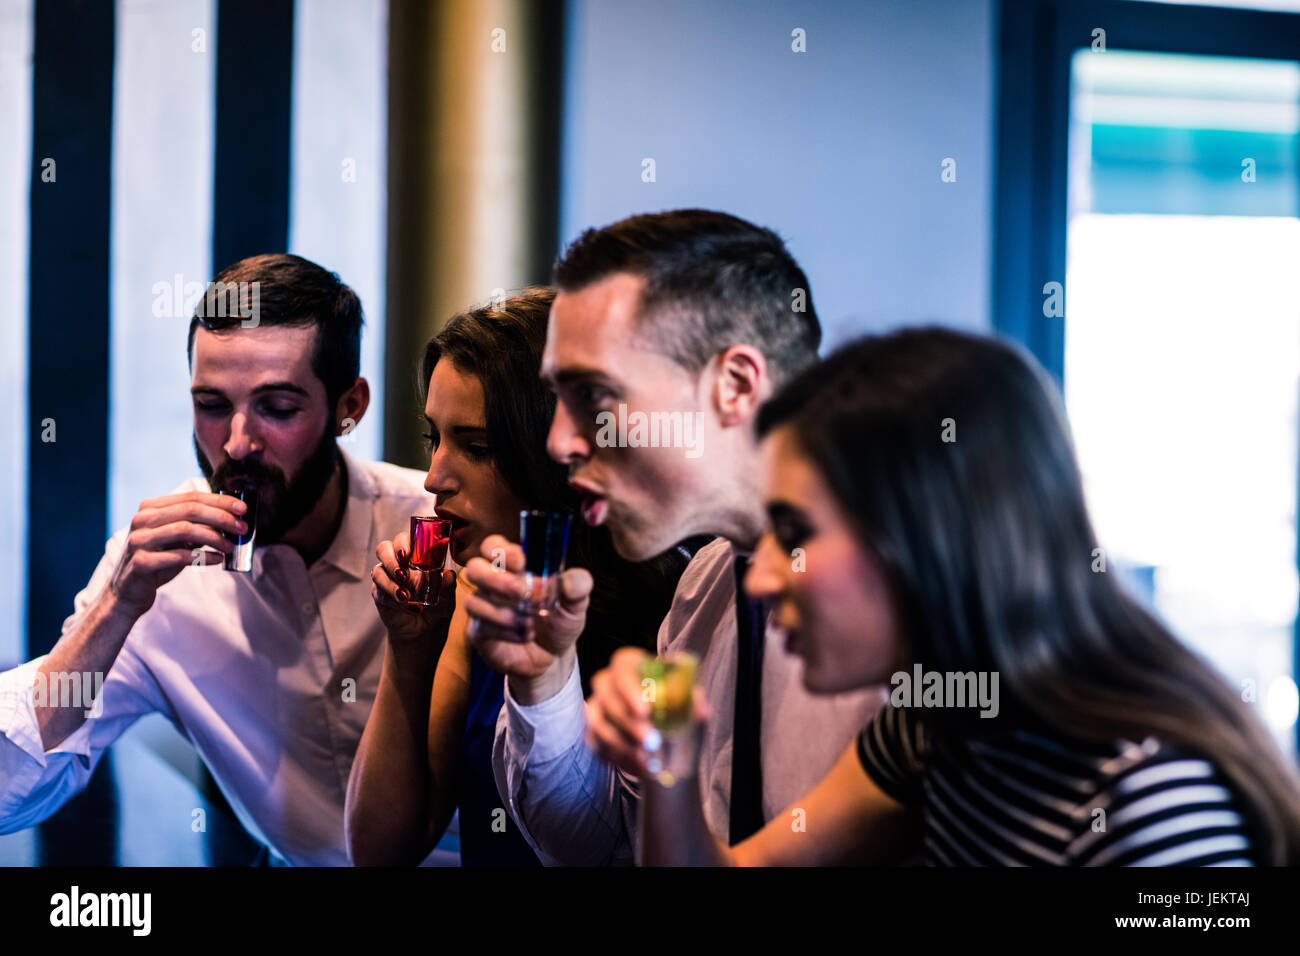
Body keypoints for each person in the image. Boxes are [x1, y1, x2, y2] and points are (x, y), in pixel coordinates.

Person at [632, 328, 1300, 866]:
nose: (760, 576)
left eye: (796, 533)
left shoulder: (1150, 808)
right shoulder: (938, 716)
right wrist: (668, 762)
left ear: (924, 535)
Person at [459, 210, 882, 865]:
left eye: (595, 396)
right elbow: (609, 848)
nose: (559, 441)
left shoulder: (906, 598)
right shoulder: (704, 587)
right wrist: (546, 677)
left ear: (735, 385)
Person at [0, 253, 433, 866]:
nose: (235, 443)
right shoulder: (152, 571)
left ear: (349, 407)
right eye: (211, 404)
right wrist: (116, 608)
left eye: (277, 408)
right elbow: (8, 796)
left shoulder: (429, 525)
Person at [345, 288, 702, 866]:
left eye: (476, 446)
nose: (434, 477)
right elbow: (379, 851)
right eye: (433, 438)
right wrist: (408, 648)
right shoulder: (479, 594)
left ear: (559, 454)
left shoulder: (676, 609)